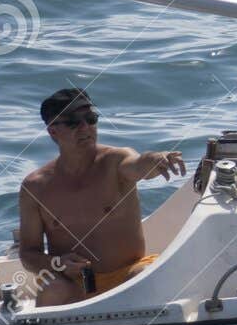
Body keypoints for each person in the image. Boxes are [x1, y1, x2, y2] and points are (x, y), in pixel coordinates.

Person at [18, 88, 187, 306]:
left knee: (146, 274)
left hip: (128, 274)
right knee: (53, 289)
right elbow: (28, 255)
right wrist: (56, 263)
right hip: (74, 284)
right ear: (52, 132)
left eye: (90, 119)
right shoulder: (35, 187)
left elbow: (139, 165)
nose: (85, 128)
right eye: (72, 122)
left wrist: (158, 159)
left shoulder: (116, 162)